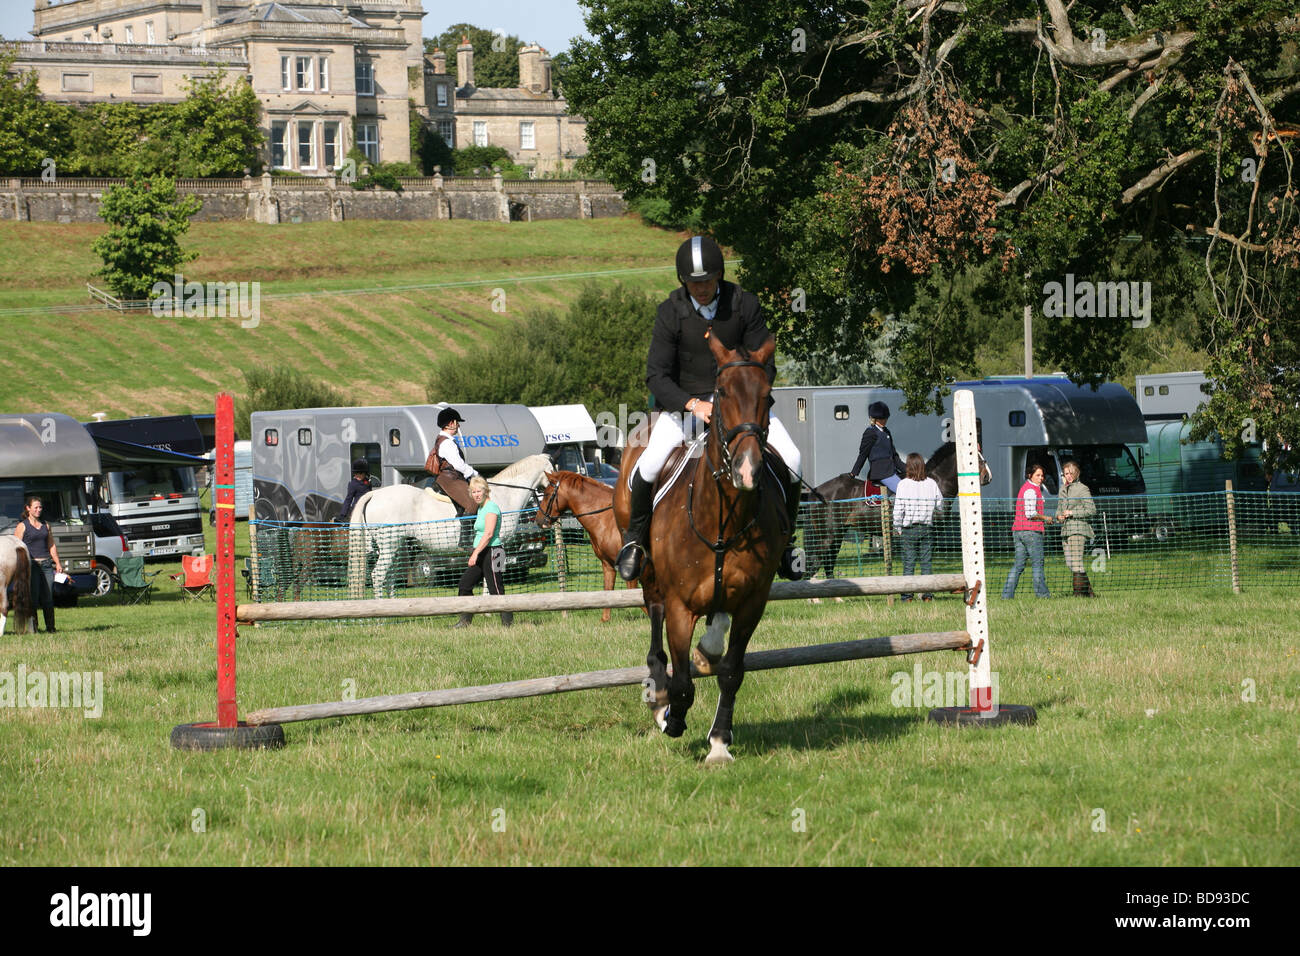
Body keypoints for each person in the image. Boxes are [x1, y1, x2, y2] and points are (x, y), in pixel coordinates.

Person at [616, 235, 805, 581]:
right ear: (683, 281)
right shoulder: (670, 312)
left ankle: (786, 542)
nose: (701, 288)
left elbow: (766, 361)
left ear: (718, 276)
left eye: (706, 281)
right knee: (648, 463)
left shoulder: (744, 304)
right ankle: (635, 541)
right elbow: (656, 375)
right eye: (693, 283)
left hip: (741, 405)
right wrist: (691, 404)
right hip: (685, 407)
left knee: (792, 458)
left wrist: (746, 395)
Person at [453, 477, 512, 628]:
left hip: (494, 552)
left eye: (479, 491)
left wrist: (475, 553)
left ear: (486, 491)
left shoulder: (491, 507)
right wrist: (477, 552)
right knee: (464, 585)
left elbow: (489, 534)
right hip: (481, 552)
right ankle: (465, 621)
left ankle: (508, 625)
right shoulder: (480, 508)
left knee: (496, 589)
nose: (476, 494)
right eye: (474, 492)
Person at [425, 407, 480, 547]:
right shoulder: (447, 442)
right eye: (457, 422)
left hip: (451, 477)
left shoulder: (443, 439)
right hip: (450, 478)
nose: (458, 425)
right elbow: (459, 465)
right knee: (473, 501)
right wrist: (475, 474)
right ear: (450, 423)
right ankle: (465, 541)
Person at [893, 452, 944, 601]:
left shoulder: (903, 484)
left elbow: (898, 509)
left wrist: (897, 527)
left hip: (909, 529)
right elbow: (940, 505)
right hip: (927, 528)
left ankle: (907, 596)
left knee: (909, 563)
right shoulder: (932, 483)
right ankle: (927, 596)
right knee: (926, 563)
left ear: (909, 467)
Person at [1002, 463, 1051, 599]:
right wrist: (1045, 518)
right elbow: (1030, 513)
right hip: (1031, 532)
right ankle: (1042, 595)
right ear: (1030, 475)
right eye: (1037, 475)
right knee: (1037, 564)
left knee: (1018, 565)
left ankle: (1006, 595)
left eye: (1042, 475)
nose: (1041, 478)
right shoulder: (1031, 490)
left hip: (1018, 530)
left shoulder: (1029, 488)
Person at [14, 495, 62, 633]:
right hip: (31, 566)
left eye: (40, 507)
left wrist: (57, 563)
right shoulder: (22, 526)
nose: (39, 510)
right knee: (33, 599)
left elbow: (51, 545)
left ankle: (51, 628)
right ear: (28, 508)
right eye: (36, 507)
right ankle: (33, 628)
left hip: (47, 565)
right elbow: (17, 548)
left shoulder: (46, 525)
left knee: (48, 598)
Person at [1055, 459, 1097, 597]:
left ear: (1076, 473)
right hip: (1066, 530)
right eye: (1066, 473)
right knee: (1070, 563)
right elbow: (1059, 509)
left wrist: (1073, 513)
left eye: (1070, 473)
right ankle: (1089, 592)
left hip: (1078, 529)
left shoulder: (1082, 488)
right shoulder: (1062, 489)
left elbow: (1091, 510)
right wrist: (1059, 516)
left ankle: (1078, 593)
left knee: (1077, 562)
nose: (1068, 476)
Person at [851, 402, 905, 494]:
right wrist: (854, 473)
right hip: (881, 473)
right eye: (881, 419)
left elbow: (894, 455)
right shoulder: (870, 433)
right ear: (875, 419)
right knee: (903, 491)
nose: (884, 421)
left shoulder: (886, 432)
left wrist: (908, 469)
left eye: (885, 418)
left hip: (891, 471)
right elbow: (863, 454)